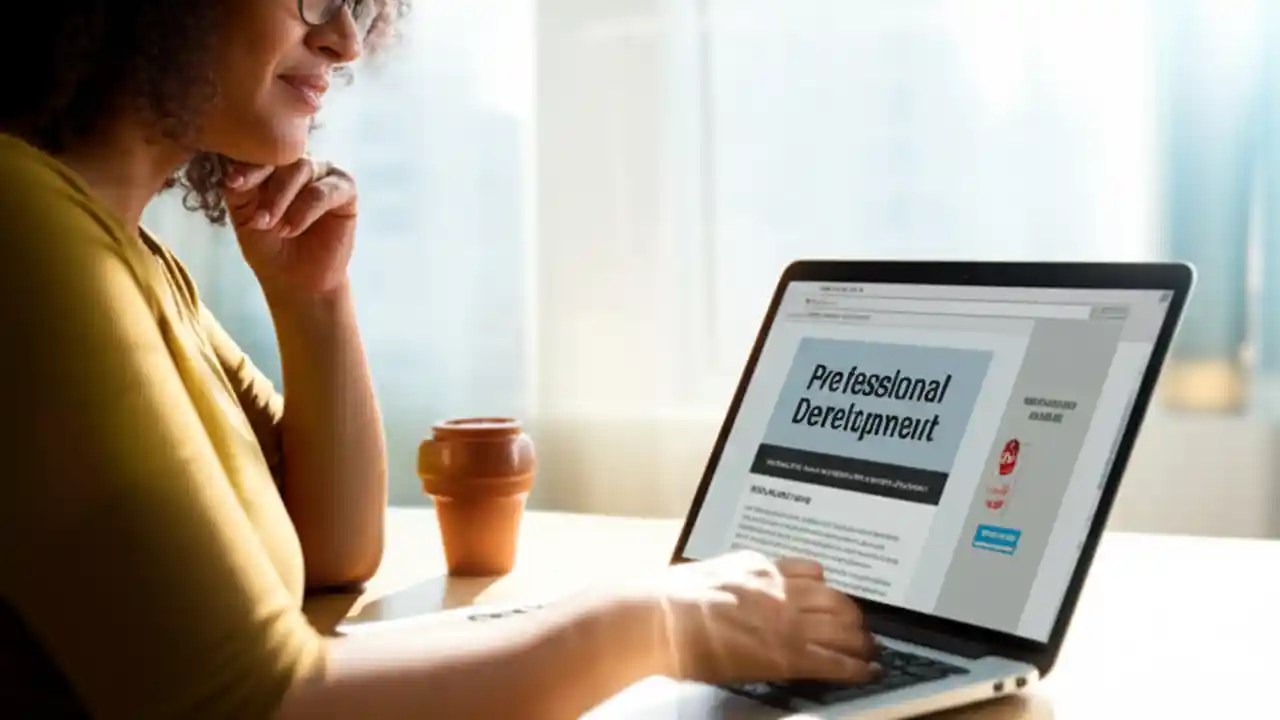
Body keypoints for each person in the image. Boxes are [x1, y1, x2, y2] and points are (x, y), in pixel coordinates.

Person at [0, 2, 881, 717]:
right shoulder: (21, 227)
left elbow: (332, 550)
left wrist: (313, 299)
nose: (345, 39)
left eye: (359, 5)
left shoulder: (136, 261)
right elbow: (256, 704)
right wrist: (656, 621)